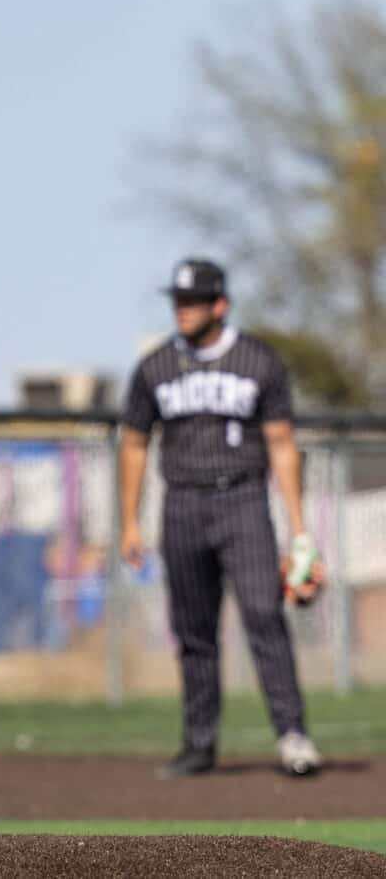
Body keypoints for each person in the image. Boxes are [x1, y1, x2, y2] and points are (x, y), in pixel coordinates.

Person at [118, 258, 324, 779]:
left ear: (220, 304)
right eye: (178, 301)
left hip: (243, 501)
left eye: (193, 301)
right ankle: (199, 743)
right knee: (193, 630)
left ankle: (293, 735)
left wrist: (299, 529)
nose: (182, 310)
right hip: (182, 504)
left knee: (263, 615)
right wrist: (129, 520)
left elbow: (281, 443)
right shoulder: (155, 367)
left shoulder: (257, 361)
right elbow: (135, 443)